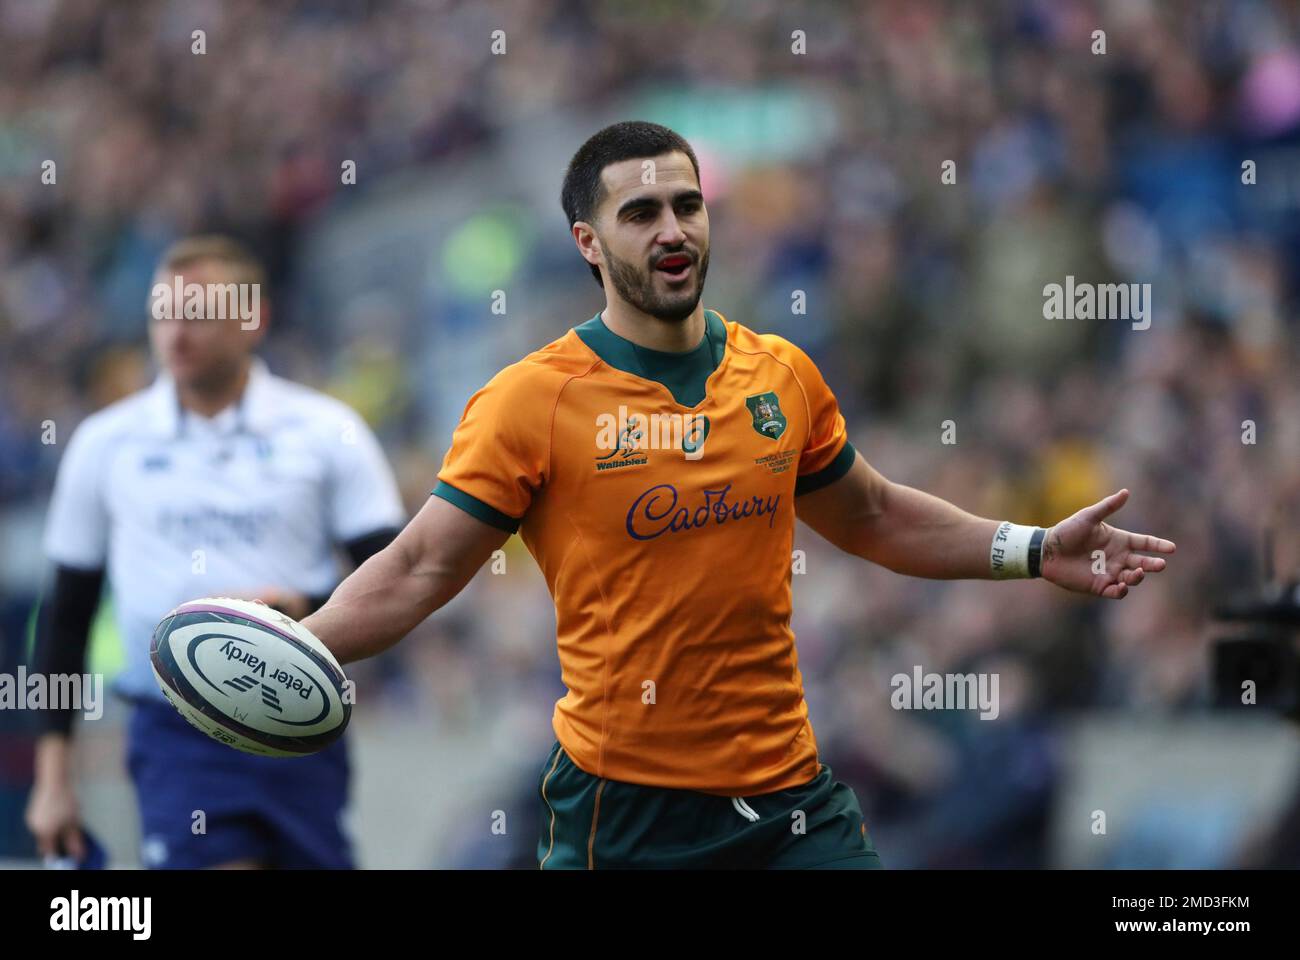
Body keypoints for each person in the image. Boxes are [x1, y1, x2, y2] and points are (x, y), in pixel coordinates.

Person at [298, 121, 1176, 869]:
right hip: (625, 812)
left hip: (787, 800)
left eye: (687, 205)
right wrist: (287, 650)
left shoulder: (779, 374)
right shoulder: (533, 400)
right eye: (640, 213)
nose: (672, 229)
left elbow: (872, 515)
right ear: (588, 243)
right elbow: (417, 568)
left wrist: (1029, 548)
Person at [27, 236, 404, 869]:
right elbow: (65, 617)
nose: (175, 333)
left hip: (296, 717)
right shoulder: (105, 444)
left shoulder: (326, 431)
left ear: (251, 318)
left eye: (197, 313)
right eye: (162, 314)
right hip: (174, 728)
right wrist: (52, 777)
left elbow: (395, 576)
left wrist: (302, 610)